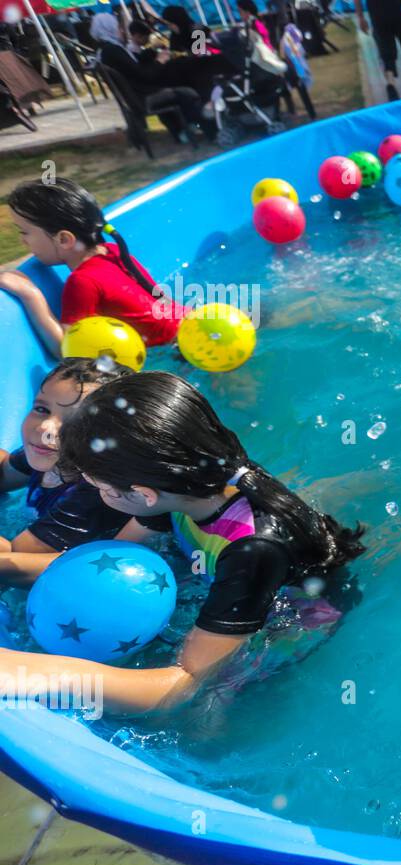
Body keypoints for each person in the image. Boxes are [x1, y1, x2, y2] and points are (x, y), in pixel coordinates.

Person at [0, 372, 366, 716]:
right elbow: (104, 559)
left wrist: (42, 673)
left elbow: (185, 684)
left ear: (141, 495)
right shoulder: (182, 475)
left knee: (201, 719)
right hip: (221, 571)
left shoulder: (251, 549)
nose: (93, 492)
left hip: (294, 615)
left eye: (97, 487)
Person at [0, 178, 184, 354]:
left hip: (174, 350)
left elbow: (67, 350)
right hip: (188, 326)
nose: (22, 241)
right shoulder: (113, 251)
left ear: (64, 239)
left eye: (25, 232)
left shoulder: (82, 281)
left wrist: (31, 295)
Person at [0, 359, 134, 586]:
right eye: (42, 409)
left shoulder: (96, 493)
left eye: (75, 421)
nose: (45, 428)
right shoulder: (50, 453)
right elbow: (3, 474)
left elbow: (17, 554)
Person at [88, 11, 214, 145]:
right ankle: (206, 127)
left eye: (170, 24)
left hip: (140, 93)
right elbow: (146, 73)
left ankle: (189, 127)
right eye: (118, 27)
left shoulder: (196, 29)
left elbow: (200, 51)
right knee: (186, 90)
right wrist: (160, 59)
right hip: (144, 95)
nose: (121, 30)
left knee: (182, 84)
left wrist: (154, 54)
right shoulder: (113, 50)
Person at [357, 0, 401, 101]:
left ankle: (391, 85)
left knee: (387, 52)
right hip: (397, 10)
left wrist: (360, 17)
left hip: (379, 13)